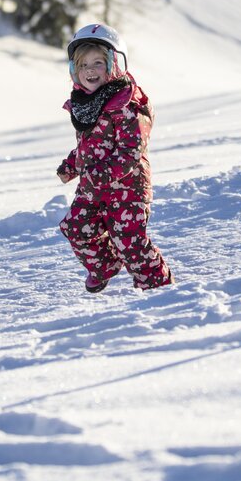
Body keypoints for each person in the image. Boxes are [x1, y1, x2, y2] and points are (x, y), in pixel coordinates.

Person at [56, 23, 174, 293]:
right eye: (83, 64)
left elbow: (129, 152)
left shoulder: (128, 104)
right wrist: (72, 164)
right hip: (93, 187)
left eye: (98, 63)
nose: (90, 70)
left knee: (129, 240)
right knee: (76, 227)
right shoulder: (86, 104)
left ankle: (158, 286)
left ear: (115, 64)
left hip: (127, 188)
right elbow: (91, 145)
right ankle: (105, 265)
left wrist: (101, 174)